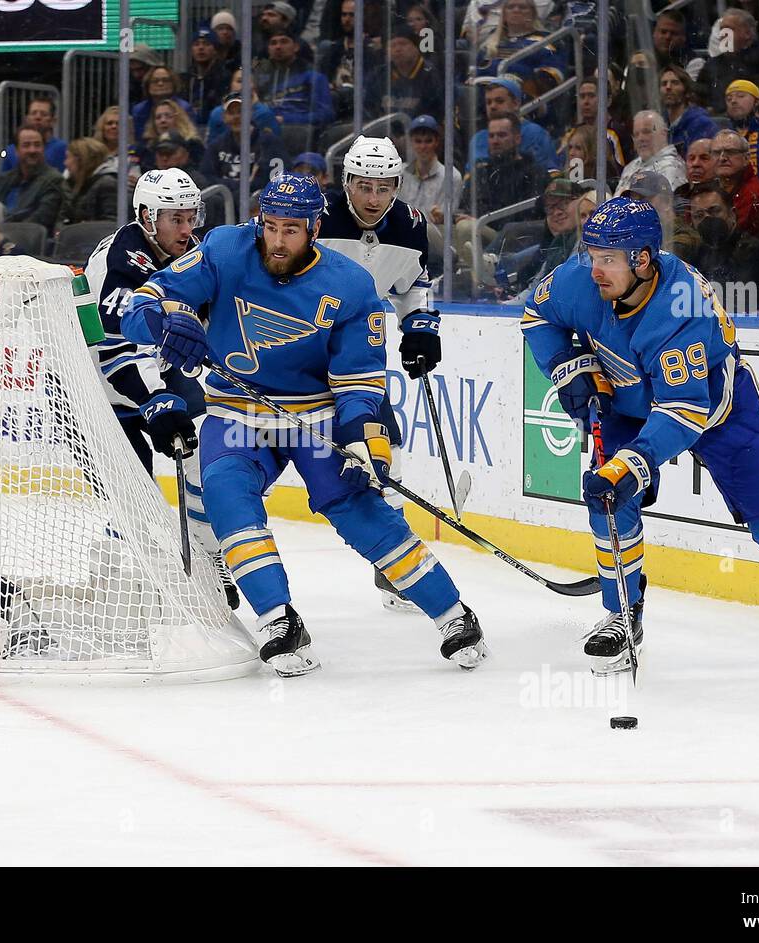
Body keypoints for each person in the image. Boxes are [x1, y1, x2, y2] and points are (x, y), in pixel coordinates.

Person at [121, 174, 486, 675]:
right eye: (270, 226)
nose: (277, 239)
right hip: (234, 412)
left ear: (314, 227)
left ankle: (452, 614)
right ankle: (278, 619)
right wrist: (162, 318)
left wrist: (361, 436)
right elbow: (144, 298)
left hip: (315, 415)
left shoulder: (351, 284)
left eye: (290, 229)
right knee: (228, 500)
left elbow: (360, 382)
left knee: (360, 510)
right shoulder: (224, 248)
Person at [521, 197, 759, 674]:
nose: (595, 269)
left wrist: (634, 463)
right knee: (608, 500)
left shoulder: (682, 308)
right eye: (593, 255)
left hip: (717, 409)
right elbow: (537, 318)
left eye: (609, 259)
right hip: (626, 399)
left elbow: (685, 411)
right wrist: (567, 366)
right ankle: (622, 615)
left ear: (643, 258)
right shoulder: (580, 278)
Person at [81, 169, 238, 607]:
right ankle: (122, 574)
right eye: (177, 220)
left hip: (155, 370)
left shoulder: (190, 254)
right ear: (148, 217)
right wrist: (154, 397)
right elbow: (114, 351)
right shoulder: (121, 261)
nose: (188, 230)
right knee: (132, 491)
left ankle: (210, 559)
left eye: (192, 218)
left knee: (201, 457)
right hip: (102, 386)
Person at [317, 138, 441, 611]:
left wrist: (421, 327)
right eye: (364, 186)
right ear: (346, 182)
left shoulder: (410, 225)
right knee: (256, 454)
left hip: (357, 361)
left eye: (384, 187)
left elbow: (413, 286)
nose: (373, 198)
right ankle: (217, 553)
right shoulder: (315, 218)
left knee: (384, 445)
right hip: (293, 356)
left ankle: (393, 565)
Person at [202, 91, 289, 205]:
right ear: (224, 117)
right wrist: (241, 184)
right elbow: (206, 178)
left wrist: (235, 186)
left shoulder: (269, 142)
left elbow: (272, 181)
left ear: (251, 113)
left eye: (241, 112)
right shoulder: (216, 145)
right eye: (231, 113)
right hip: (224, 204)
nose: (236, 117)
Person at [686, 182, 759, 287]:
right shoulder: (695, 256)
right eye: (699, 215)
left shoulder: (753, 252)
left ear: (732, 214)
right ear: (692, 224)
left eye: (714, 211)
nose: (707, 218)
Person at [0, 125, 66, 228]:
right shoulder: (3, 180)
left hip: (29, 239)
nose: (32, 150)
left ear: (43, 149)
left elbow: (41, 219)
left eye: (37, 145)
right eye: (26, 145)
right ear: (16, 151)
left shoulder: (54, 180)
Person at [399, 115, 462, 224]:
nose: (423, 146)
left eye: (428, 141)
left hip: (435, 235)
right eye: (418, 141)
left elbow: (448, 220)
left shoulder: (452, 176)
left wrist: (442, 217)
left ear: (437, 142)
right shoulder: (398, 173)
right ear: (411, 142)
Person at [712, 129, 759, 240]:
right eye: (716, 153)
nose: (722, 158)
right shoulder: (711, 187)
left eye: (730, 152)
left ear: (746, 158)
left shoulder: (754, 195)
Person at [616, 111, 688, 194]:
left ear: (663, 134)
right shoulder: (630, 167)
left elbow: (666, 205)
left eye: (646, 132)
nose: (640, 138)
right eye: (636, 134)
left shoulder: (672, 168)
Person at [724, 80, 759, 181]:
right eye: (729, 98)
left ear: (756, 101)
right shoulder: (726, 134)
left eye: (740, 96)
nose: (733, 101)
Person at [57, 138, 119, 225]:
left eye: (68, 157)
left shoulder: (107, 184)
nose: (65, 163)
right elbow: (64, 216)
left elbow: (110, 224)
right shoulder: (72, 184)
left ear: (81, 160)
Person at [660, 66, 718, 158]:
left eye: (675, 83)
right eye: (664, 83)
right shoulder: (658, 125)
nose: (668, 87)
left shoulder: (701, 124)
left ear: (687, 91)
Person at [1, 96, 67, 174]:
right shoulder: (11, 150)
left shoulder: (62, 148)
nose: (38, 117)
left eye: (44, 114)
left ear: (53, 121)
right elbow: (5, 181)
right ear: (27, 119)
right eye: (33, 113)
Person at [181, 28, 231, 125]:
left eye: (206, 44)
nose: (201, 48)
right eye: (196, 44)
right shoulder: (185, 80)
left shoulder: (224, 78)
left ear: (215, 50)